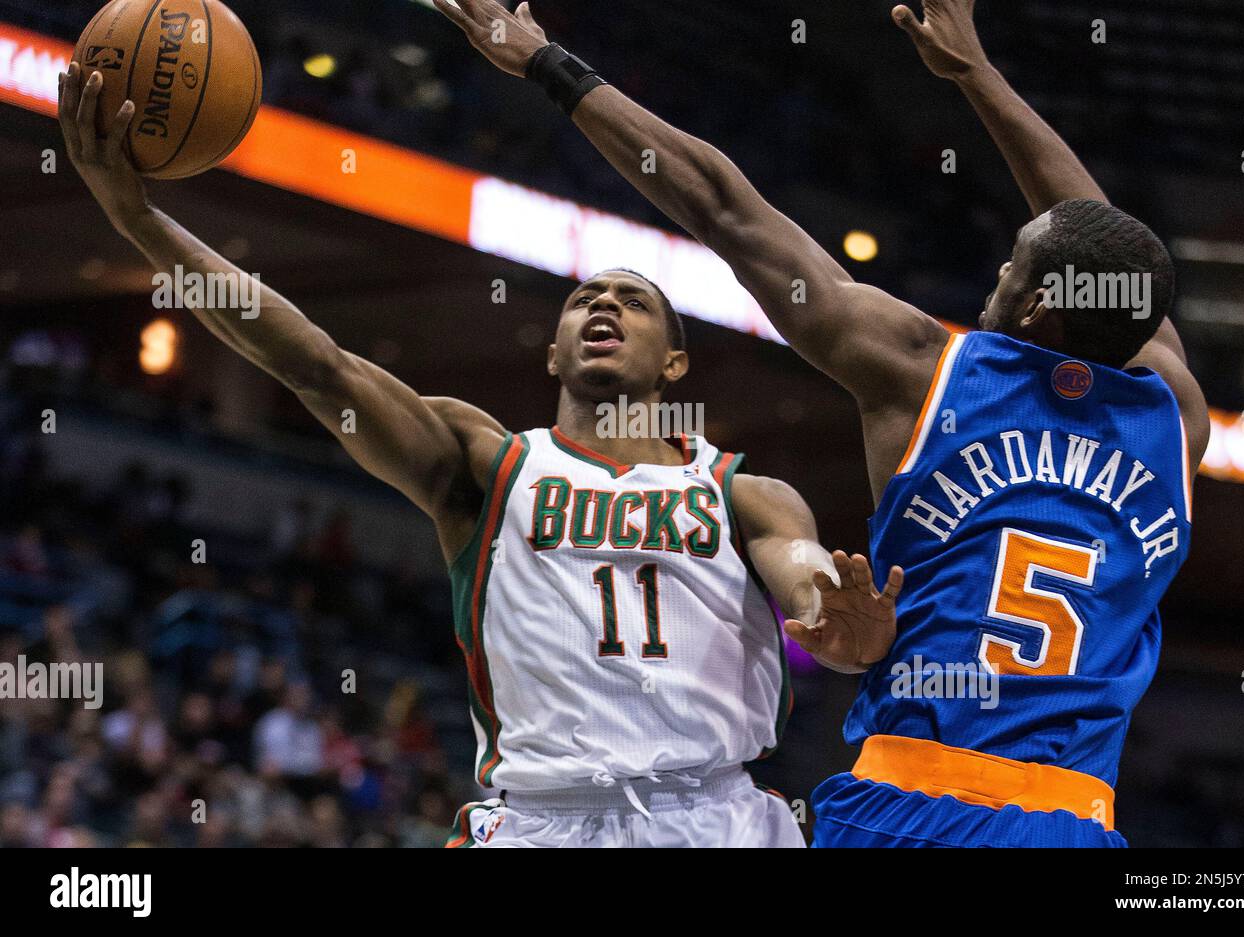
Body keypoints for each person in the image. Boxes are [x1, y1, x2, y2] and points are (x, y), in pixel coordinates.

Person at [56, 60, 900, 848]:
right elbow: (315, 363)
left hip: (713, 816)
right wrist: (140, 220)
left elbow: (810, 589)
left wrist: (841, 626)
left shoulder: (743, 492)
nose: (603, 303)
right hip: (539, 819)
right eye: (583, 299)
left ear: (675, 362)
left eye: (632, 301)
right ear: (554, 351)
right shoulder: (487, 462)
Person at [435, 0, 1210, 847]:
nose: (998, 267)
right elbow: (1118, 260)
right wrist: (977, 76)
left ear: (1034, 311)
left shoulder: (926, 371)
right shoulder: (1174, 413)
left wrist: (550, 64)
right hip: (1075, 818)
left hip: (909, 803)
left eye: (1014, 265)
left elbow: (728, 212)